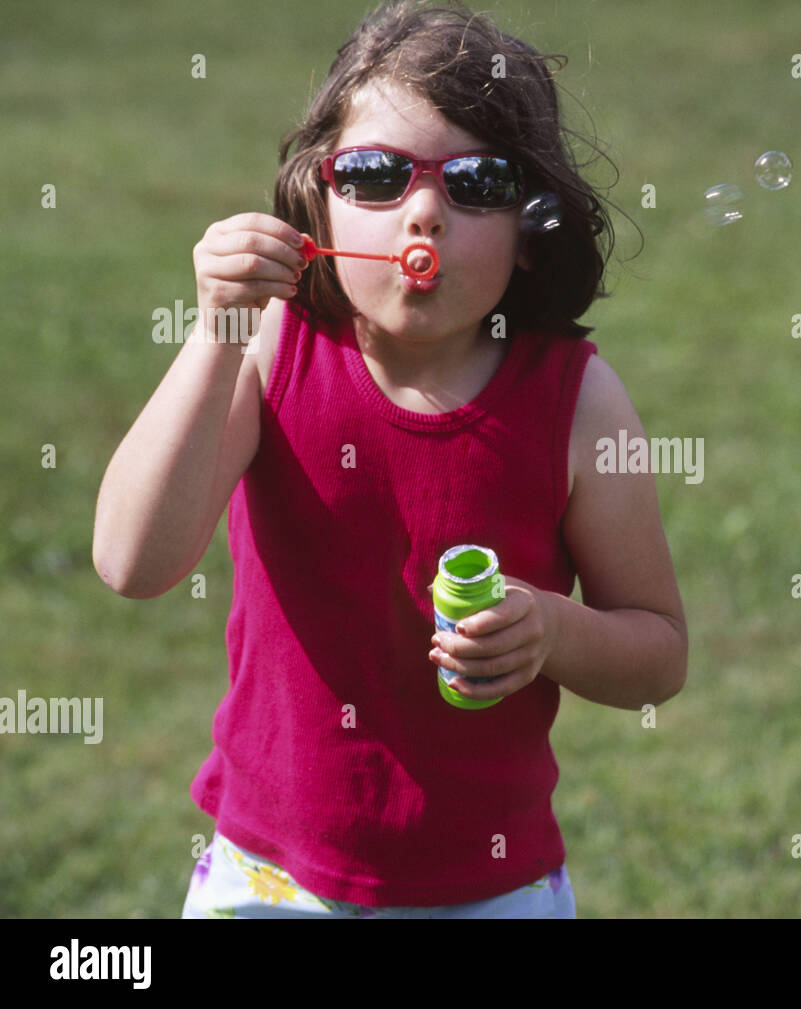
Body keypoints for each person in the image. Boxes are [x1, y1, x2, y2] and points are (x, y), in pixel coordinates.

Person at [92, 0, 687, 918]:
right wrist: (215, 333)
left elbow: (658, 651)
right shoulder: (274, 347)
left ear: (532, 232)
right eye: (375, 174)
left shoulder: (576, 400)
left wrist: (553, 631)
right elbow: (133, 562)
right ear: (316, 197)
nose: (422, 212)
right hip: (268, 877)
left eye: (476, 182)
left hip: (492, 888)